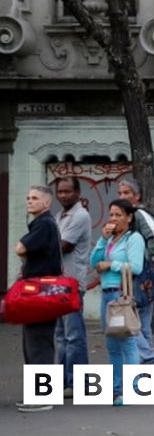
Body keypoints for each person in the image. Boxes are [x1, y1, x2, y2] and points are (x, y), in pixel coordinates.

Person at [89, 199, 144, 406]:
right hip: (106, 295)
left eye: (118, 215)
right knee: (112, 344)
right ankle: (116, 388)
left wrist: (111, 264)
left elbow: (136, 267)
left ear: (129, 217)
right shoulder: (110, 240)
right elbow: (94, 262)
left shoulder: (134, 238)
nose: (113, 219)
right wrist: (102, 241)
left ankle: (134, 389)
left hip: (121, 295)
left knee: (127, 341)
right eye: (111, 214)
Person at [14, 186, 63, 413]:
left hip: (41, 292)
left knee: (39, 342)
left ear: (46, 203)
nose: (29, 201)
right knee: (33, 341)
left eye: (35, 198)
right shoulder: (44, 223)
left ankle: (43, 396)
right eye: (28, 197)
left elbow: (20, 247)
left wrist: (24, 253)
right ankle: (37, 393)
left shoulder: (44, 224)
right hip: (41, 289)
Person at [117, 178, 154, 368]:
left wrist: (151, 262)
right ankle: (148, 375)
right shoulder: (129, 216)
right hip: (139, 276)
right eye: (120, 193)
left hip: (141, 276)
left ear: (136, 197)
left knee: (129, 321)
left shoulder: (138, 214)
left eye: (127, 193)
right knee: (143, 326)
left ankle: (151, 357)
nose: (123, 196)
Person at [54, 177, 91, 396]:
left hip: (72, 284)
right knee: (61, 335)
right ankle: (65, 381)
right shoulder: (60, 216)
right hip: (59, 284)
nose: (63, 195)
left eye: (68, 191)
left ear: (77, 192)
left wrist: (36, 247)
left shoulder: (80, 215)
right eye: (60, 191)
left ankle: (78, 383)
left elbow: (64, 246)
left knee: (74, 335)